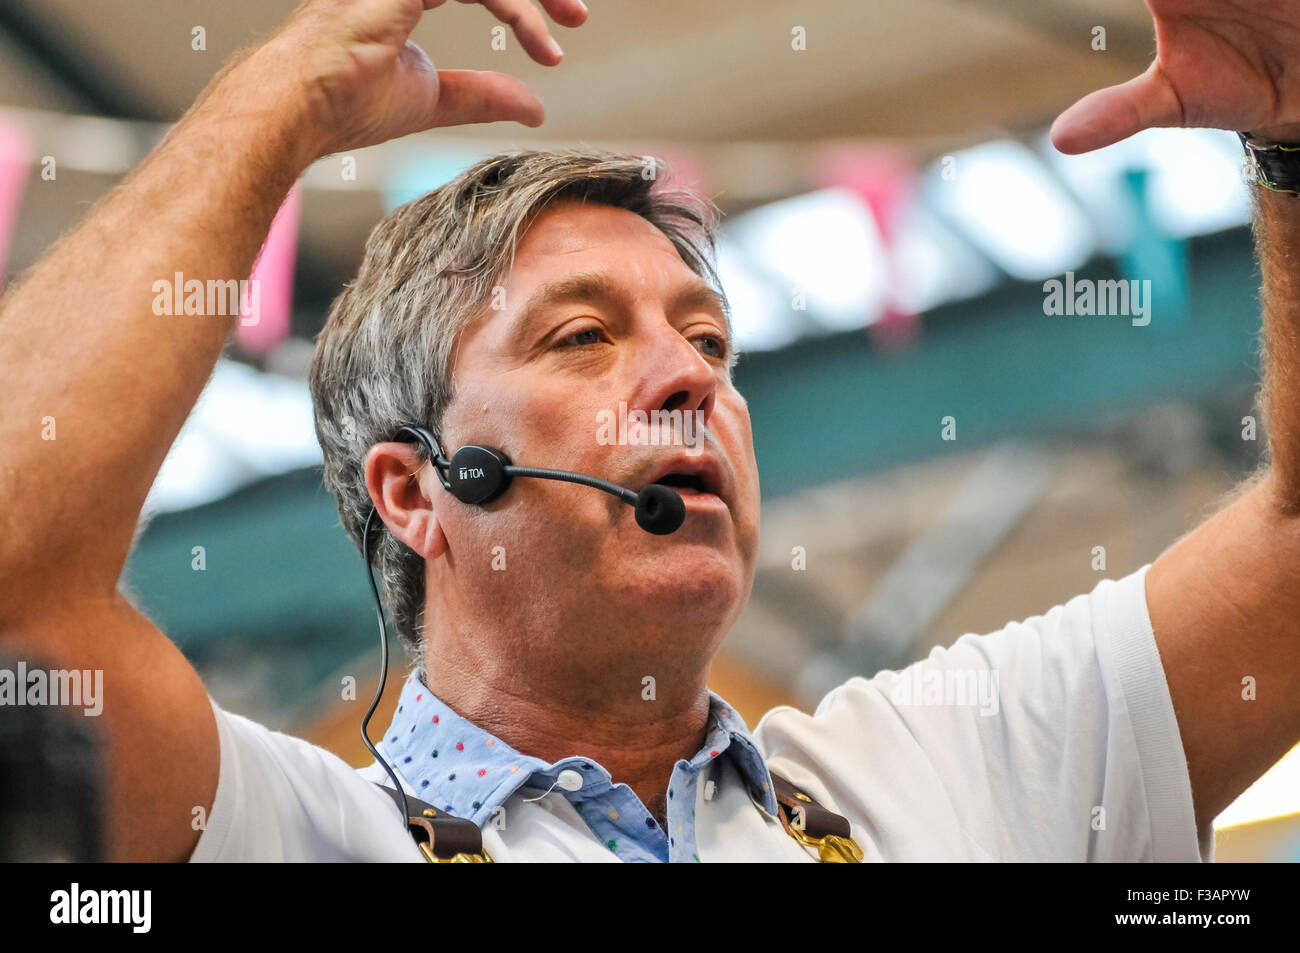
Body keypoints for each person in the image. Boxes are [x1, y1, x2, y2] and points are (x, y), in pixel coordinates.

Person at [1, 0, 1298, 863]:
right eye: (583, 334)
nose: (690, 377)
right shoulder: (292, 829)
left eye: (712, 341)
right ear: (416, 489)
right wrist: (271, 106)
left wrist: (1291, 133)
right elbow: (19, 594)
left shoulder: (954, 757)